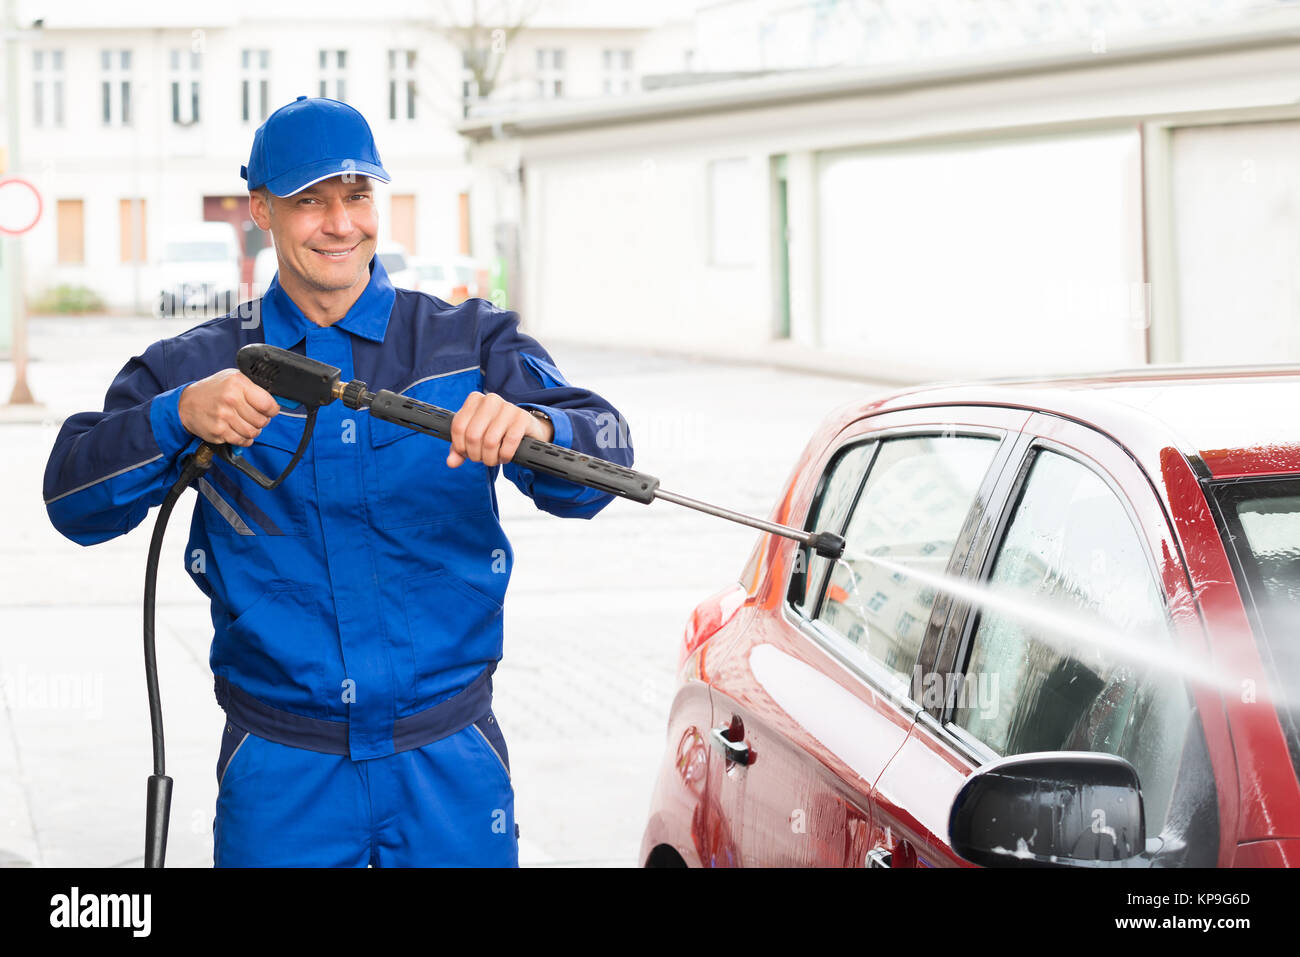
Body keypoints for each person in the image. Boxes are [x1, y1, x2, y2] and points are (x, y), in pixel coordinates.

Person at [42, 96, 634, 867]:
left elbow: (607, 460)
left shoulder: (469, 342)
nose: (340, 222)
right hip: (282, 770)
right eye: (309, 201)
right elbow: (70, 500)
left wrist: (541, 431)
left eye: (356, 196)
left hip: (449, 763)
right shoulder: (197, 363)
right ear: (261, 209)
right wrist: (175, 415)